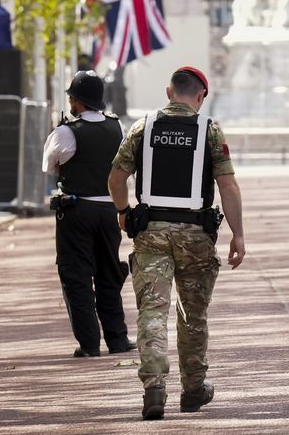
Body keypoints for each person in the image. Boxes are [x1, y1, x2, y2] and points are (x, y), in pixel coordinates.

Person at [108, 67, 245, 421]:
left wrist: (124, 211)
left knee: (153, 311)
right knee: (192, 315)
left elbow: (116, 178)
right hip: (195, 236)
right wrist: (238, 235)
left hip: (151, 232)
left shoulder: (143, 127)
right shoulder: (209, 130)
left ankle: (154, 387)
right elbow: (228, 186)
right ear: (201, 96)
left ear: (169, 92)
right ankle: (194, 390)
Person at [42, 70, 133, 358]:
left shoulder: (67, 131)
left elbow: (49, 166)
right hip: (109, 209)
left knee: (77, 276)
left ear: (76, 101)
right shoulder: (117, 127)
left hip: (77, 210)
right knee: (109, 274)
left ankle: (89, 343)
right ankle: (117, 339)